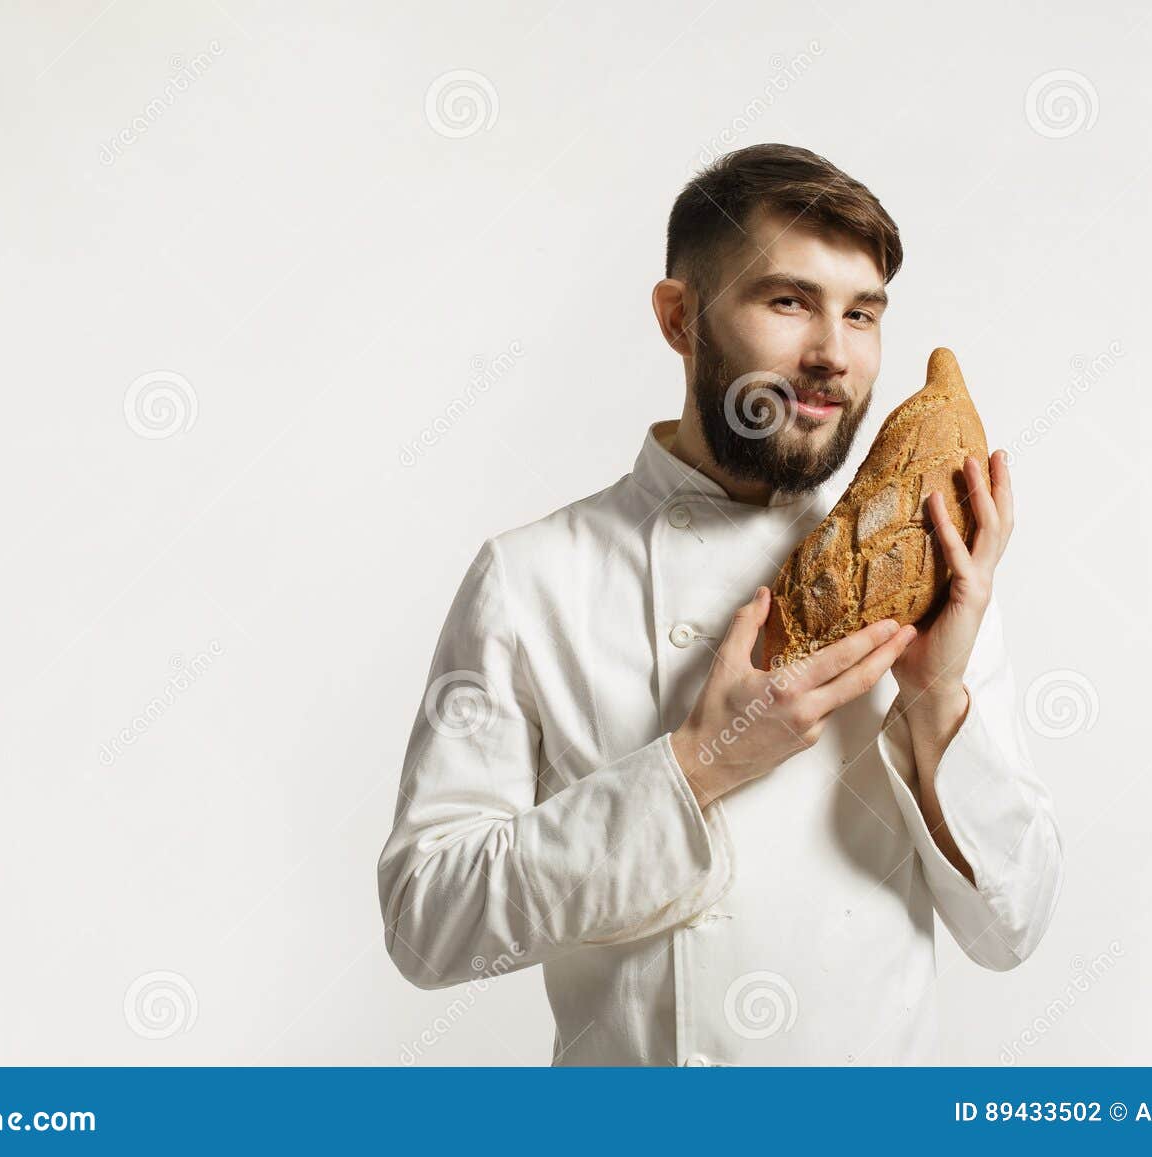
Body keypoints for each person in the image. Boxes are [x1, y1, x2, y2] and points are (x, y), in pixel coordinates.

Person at [377, 142, 1064, 1066]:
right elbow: (427, 923)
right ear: (678, 317)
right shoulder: (533, 576)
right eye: (787, 301)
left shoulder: (927, 568)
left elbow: (1010, 929)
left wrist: (938, 700)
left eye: (862, 313)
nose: (831, 355)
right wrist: (695, 768)